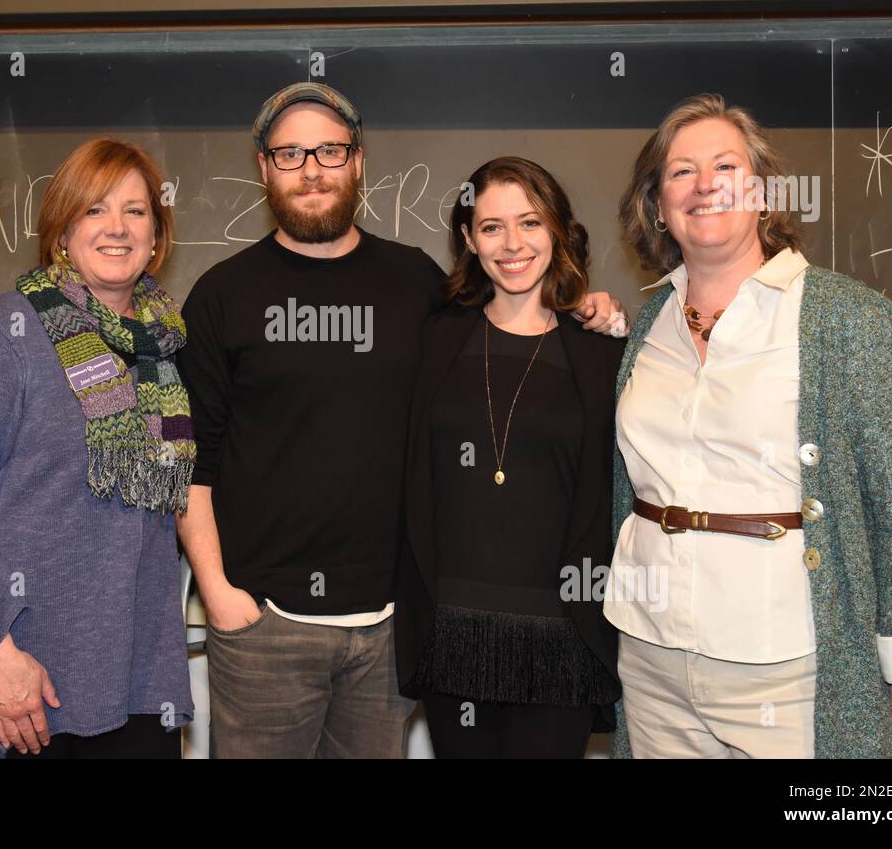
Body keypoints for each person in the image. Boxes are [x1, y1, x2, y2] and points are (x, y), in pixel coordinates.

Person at [176, 81, 625, 759]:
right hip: (264, 626)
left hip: (392, 628)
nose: (312, 169)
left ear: (358, 162)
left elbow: (511, 333)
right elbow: (192, 460)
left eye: (329, 150)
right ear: (264, 167)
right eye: (290, 153)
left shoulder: (418, 286)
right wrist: (219, 595)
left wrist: (589, 309)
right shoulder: (221, 295)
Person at [606, 92, 892, 759]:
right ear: (657, 205)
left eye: (726, 166)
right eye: (681, 171)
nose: (705, 184)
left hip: (789, 671)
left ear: (763, 192)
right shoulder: (647, 326)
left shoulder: (845, 319)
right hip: (651, 658)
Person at [0, 137, 195, 759]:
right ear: (61, 231)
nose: (116, 228)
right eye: (94, 209)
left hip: (137, 673)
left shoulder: (163, 348)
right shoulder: (7, 335)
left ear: (157, 235)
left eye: (136, 211)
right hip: (24, 679)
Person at [395, 156, 623, 759]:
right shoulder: (435, 336)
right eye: (491, 227)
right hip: (455, 631)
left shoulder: (602, 351)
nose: (512, 244)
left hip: (564, 637)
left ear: (558, 232)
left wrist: (603, 310)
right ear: (468, 240)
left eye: (530, 222)